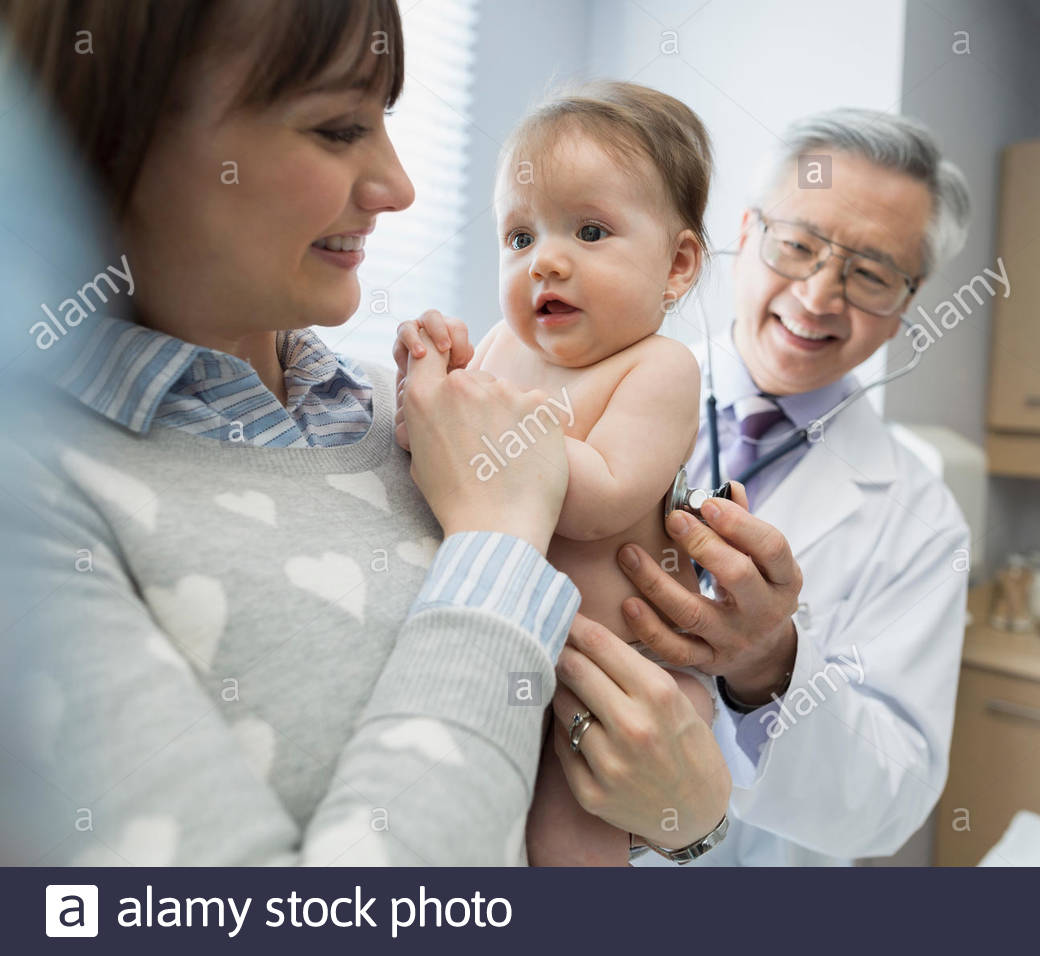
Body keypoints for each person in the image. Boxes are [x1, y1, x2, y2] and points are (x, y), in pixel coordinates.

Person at [0, 0, 727, 866]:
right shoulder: (33, 501)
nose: (399, 186)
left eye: (383, 120)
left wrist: (693, 816)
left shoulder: (411, 414)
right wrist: (499, 539)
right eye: (338, 127)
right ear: (108, 139)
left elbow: (570, 789)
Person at [618, 109, 975, 866]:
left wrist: (769, 666)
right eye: (799, 245)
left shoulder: (922, 521)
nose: (818, 296)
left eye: (871, 273)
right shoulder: (596, 382)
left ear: (906, 305)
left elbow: (892, 803)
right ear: (746, 235)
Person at [393, 81, 720, 865]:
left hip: (606, 689)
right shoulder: (509, 355)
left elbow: (603, 497)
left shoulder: (660, 367)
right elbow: (442, 464)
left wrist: (483, 423)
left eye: (591, 230)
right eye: (519, 238)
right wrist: (425, 396)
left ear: (676, 267)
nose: (546, 261)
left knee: (567, 844)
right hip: (500, 656)